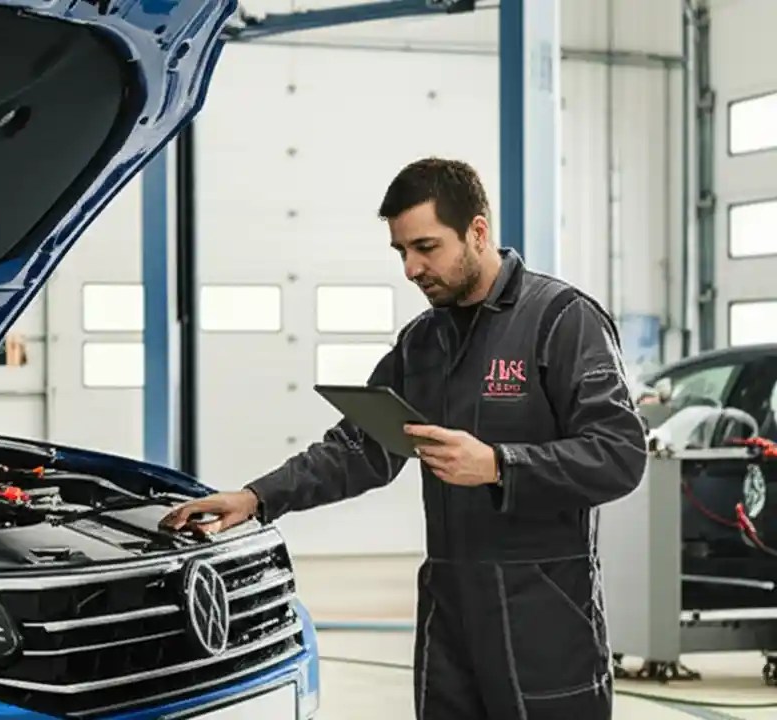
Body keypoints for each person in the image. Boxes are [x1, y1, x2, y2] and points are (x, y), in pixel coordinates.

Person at [161, 157, 648, 720]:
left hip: (545, 609)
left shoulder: (561, 320)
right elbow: (360, 448)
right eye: (401, 252)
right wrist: (255, 498)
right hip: (450, 609)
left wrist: (498, 465)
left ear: (478, 232)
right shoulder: (422, 342)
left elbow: (620, 453)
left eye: (426, 247)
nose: (412, 269)